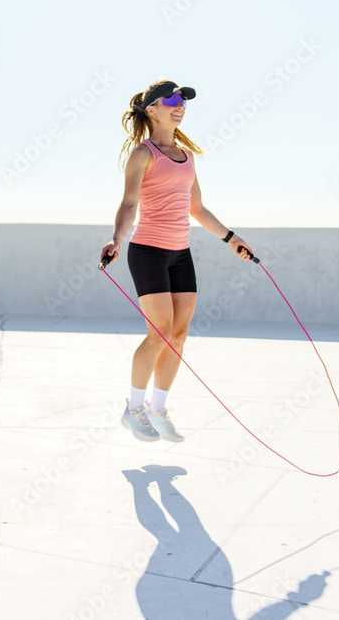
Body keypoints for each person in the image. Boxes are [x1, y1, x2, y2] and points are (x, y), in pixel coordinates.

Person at [99, 80, 253, 444]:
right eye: (171, 99)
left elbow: (196, 208)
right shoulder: (143, 154)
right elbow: (129, 204)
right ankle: (133, 408)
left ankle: (158, 408)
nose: (179, 104)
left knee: (179, 336)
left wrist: (231, 239)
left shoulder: (187, 157)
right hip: (148, 251)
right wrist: (117, 239)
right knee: (159, 334)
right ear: (152, 109)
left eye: (183, 100)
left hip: (180, 254)